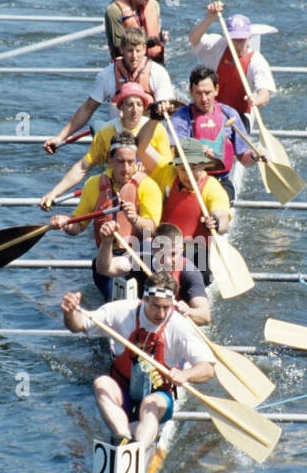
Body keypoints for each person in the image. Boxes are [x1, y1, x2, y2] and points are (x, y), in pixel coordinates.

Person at [61, 272, 215, 450]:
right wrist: (70, 313)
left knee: (148, 405)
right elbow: (78, 325)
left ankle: (137, 449)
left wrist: (185, 374)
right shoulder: (121, 311)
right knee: (100, 382)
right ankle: (123, 438)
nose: (161, 313)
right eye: (156, 306)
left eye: (166, 307)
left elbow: (208, 367)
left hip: (158, 395)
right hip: (123, 390)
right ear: (144, 299)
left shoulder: (180, 325)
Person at [48, 134, 162, 298]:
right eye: (121, 161)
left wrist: (134, 219)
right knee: (109, 289)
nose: (127, 168)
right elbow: (78, 226)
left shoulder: (148, 186)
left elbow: (151, 229)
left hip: (139, 257)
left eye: (131, 162)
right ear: (110, 159)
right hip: (107, 257)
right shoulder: (94, 184)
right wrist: (65, 223)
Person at [39, 82, 170, 209]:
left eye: (139, 105)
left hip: (151, 193)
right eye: (129, 105)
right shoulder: (106, 133)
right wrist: (54, 193)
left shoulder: (157, 129)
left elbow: (167, 170)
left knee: (146, 229)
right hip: (118, 194)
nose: (135, 110)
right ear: (121, 107)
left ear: (144, 107)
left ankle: (148, 228)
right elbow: (82, 167)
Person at [43, 28, 175, 153]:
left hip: (149, 136)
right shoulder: (107, 75)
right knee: (97, 126)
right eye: (130, 50)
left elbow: (166, 106)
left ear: (145, 49)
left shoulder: (158, 73)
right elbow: (87, 109)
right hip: (120, 136)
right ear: (121, 50)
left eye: (138, 50)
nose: (134, 56)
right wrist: (59, 137)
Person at [94, 222, 212, 326]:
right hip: (144, 325)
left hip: (174, 327)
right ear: (154, 249)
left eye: (172, 254)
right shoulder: (141, 261)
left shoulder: (189, 272)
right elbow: (104, 268)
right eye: (162, 254)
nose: (167, 261)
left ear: (181, 249)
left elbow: (205, 316)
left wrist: (188, 311)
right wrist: (106, 243)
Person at [168, 65, 254, 202]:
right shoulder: (181, 117)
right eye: (198, 93)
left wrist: (254, 156)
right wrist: (197, 151)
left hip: (221, 181)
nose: (204, 99)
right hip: (191, 179)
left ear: (217, 90)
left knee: (222, 200)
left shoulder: (229, 114)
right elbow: (174, 150)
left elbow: (244, 157)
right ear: (191, 91)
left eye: (208, 92)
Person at [149, 149, 232, 286]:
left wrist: (215, 221)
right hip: (163, 246)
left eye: (194, 168)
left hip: (194, 250)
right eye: (183, 169)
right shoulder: (168, 173)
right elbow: (143, 148)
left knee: (196, 267)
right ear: (176, 167)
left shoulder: (212, 187)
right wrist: (151, 125)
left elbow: (223, 218)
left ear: (204, 165)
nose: (189, 176)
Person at [188, 1, 276, 120]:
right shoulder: (218, 45)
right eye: (234, 38)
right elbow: (194, 40)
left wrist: (257, 99)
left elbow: (264, 94)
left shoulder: (257, 61)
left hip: (240, 115)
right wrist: (210, 18)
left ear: (248, 37)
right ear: (227, 37)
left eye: (241, 38)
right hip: (211, 110)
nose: (238, 43)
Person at [105, 0, 168, 64]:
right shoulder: (115, 11)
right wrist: (153, 42)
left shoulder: (154, 4)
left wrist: (161, 38)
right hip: (128, 70)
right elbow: (119, 48)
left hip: (155, 65)